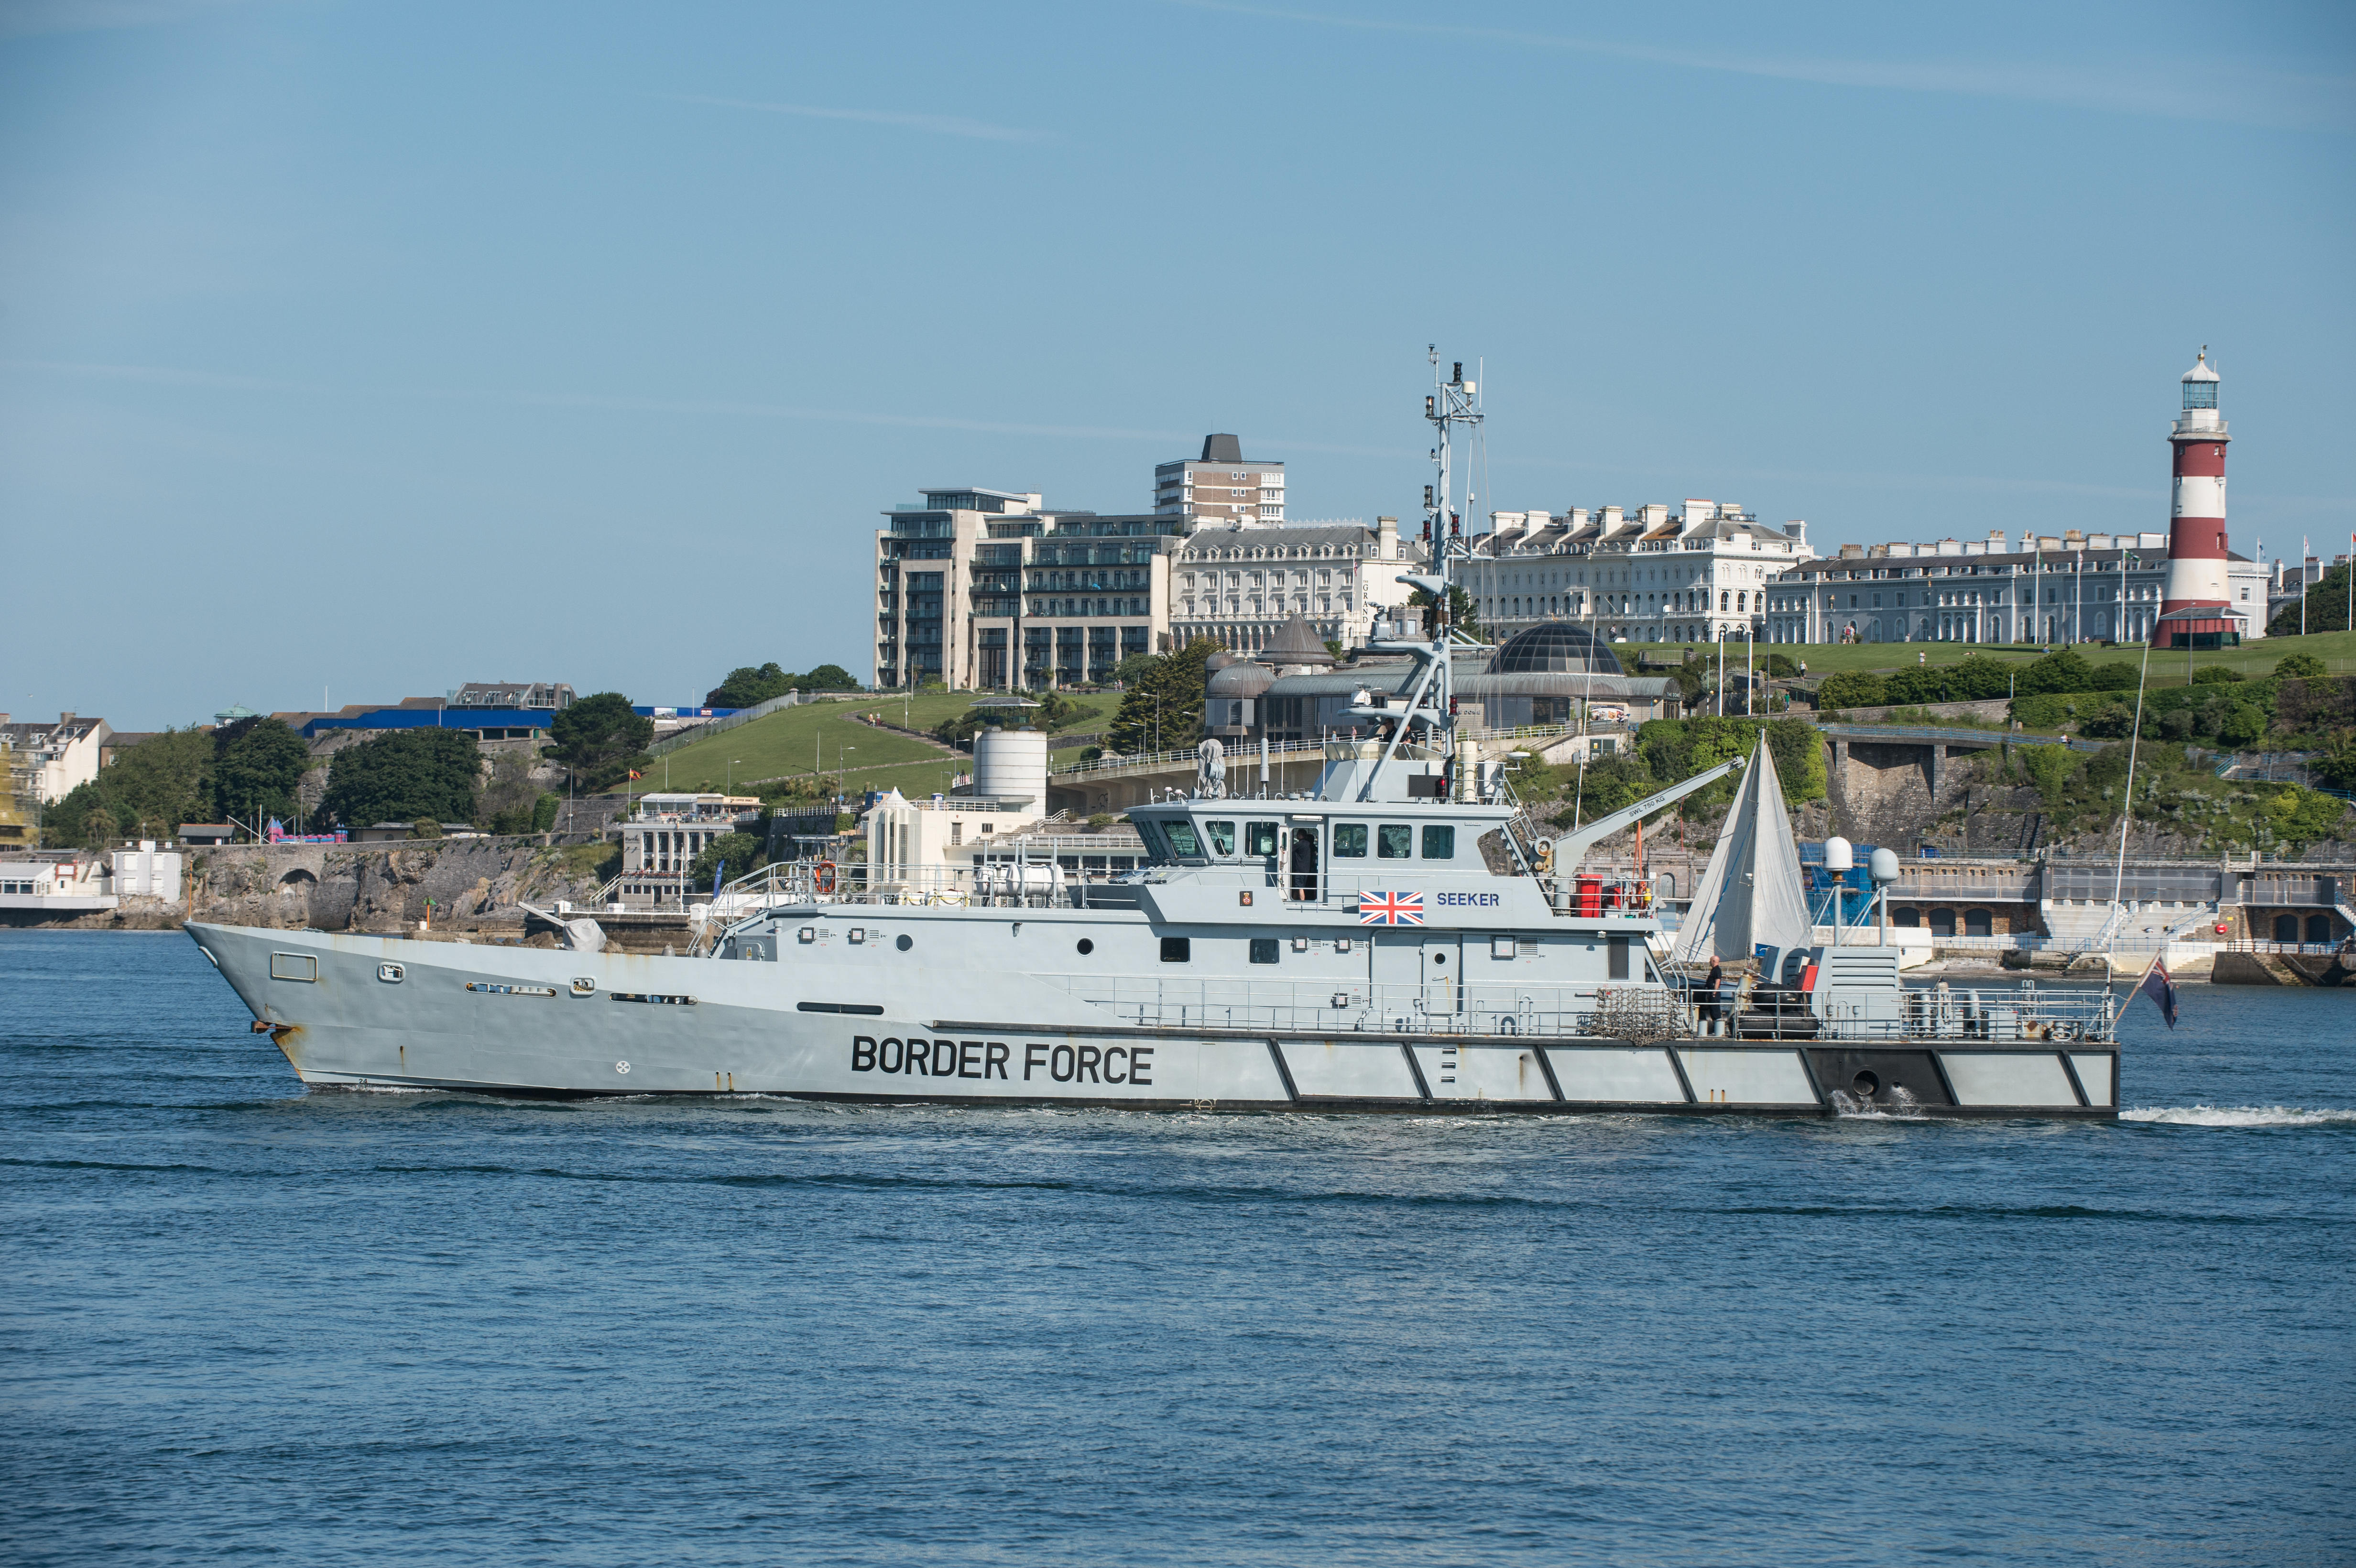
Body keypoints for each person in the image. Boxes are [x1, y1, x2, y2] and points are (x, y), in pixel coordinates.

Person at [1698, 957, 1725, 1036]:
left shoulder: (1717, 970)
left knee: (1715, 1011)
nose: (1710, 962)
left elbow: (1718, 981)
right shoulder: (1714, 970)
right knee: (1712, 1011)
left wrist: (1714, 992)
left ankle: (1718, 1030)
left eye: (1710, 961)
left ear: (1713, 961)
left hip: (1714, 993)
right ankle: (1715, 1029)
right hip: (1710, 992)